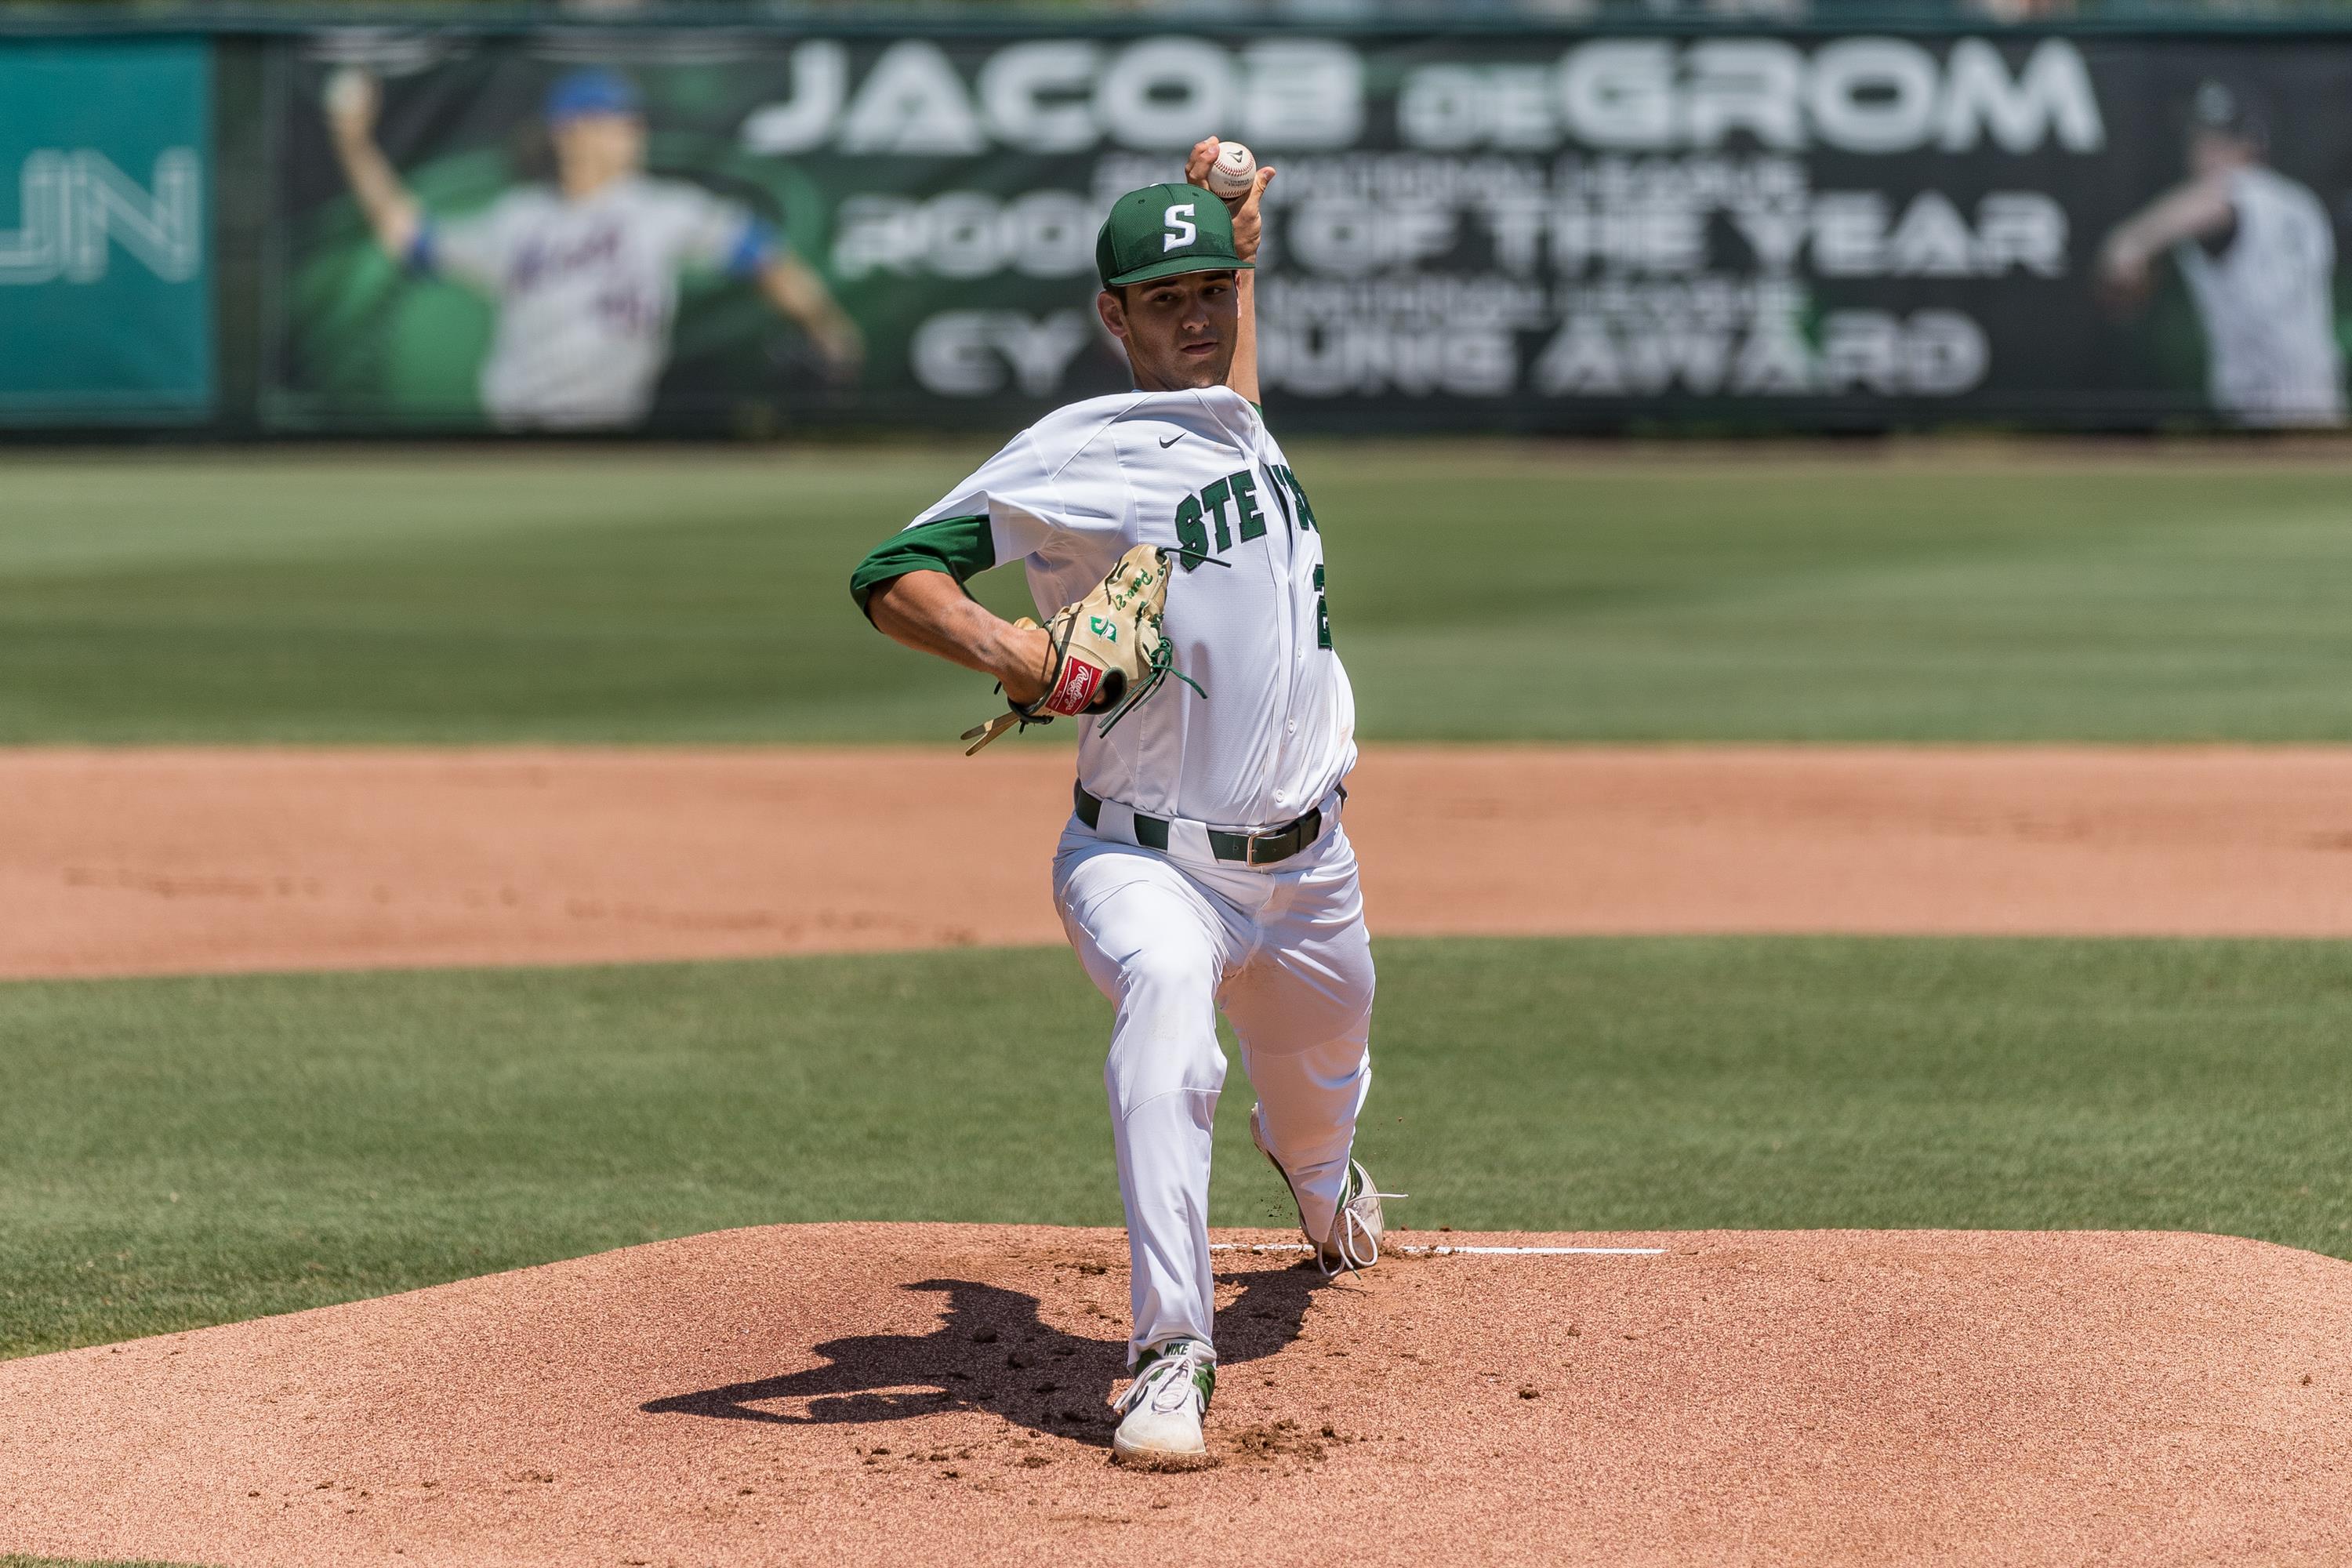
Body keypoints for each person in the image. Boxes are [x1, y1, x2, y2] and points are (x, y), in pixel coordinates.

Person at [848, 140, 1393, 1469]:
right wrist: (1015, 652)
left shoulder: (1235, 424)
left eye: (1214, 292)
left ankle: (1317, 1181)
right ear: (1114, 315)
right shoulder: (1083, 451)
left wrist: (1241, 240)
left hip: (1310, 872)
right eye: (1165, 300)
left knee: (1323, 1095)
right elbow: (894, 572)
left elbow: (1227, 388)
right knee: (1169, 1014)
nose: (1197, 316)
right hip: (1146, 862)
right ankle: (1169, 1356)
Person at [324, 66, 862, 430]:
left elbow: (765, 257)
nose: (634, 133)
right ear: (570, 131)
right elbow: (407, 237)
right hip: (519, 431)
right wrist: (353, 142)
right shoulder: (520, 219)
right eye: (617, 122)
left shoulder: (663, 209)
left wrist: (826, 326)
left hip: (615, 433)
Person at [2097, 80, 2344, 427]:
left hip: (2265, 410)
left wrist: (2131, 241)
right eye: (2199, 139)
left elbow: (2217, 199)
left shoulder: (2234, 193)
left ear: (2251, 144)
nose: (2203, 152)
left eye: (2217, 141)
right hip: (2319, 401)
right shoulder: (2300, 201)